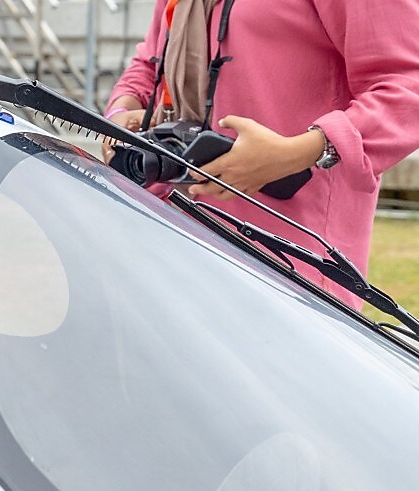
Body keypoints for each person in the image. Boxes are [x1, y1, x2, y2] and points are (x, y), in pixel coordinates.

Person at [103, 0, 419, 306]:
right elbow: (152, 59)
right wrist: (122, 110)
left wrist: (295, 153)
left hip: (289, 263)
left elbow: (407, 86)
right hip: (166, 235)